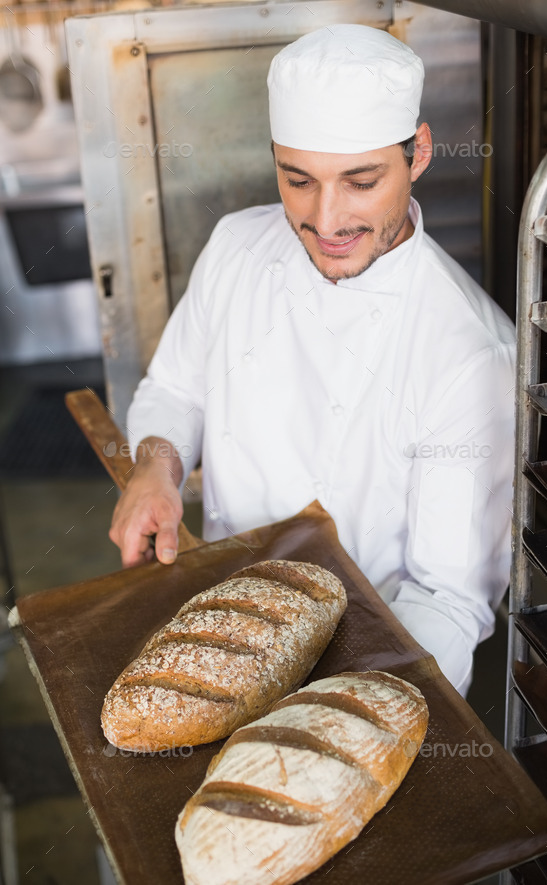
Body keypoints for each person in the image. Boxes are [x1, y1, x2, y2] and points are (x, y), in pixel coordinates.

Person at [109, 25, 516, 696]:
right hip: (218, 610)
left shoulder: (470, 353)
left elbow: (446, 597)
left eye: (360, 182)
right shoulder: (238, 246)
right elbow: (175, 388)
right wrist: (156, 463)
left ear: (417, 153)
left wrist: (335, 709)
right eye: (298, 180)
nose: (326, 220)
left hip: (358, 657)